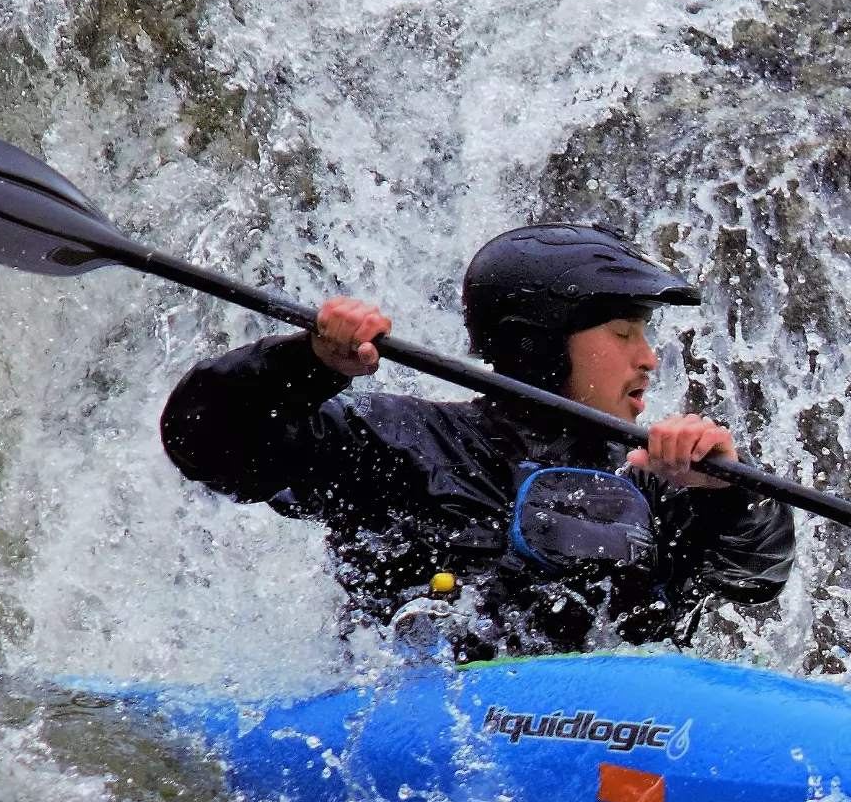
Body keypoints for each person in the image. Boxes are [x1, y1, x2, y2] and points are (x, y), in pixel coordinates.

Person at [161, 225, 794, 660]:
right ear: (540, 341)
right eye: (626, 333)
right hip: (425, 742)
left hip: (616, 743)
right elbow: (208, 444)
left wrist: (726, 491)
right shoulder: (401, 441)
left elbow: (755, 577)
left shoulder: (656, 478)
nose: (649, 359)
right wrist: (306, 363)